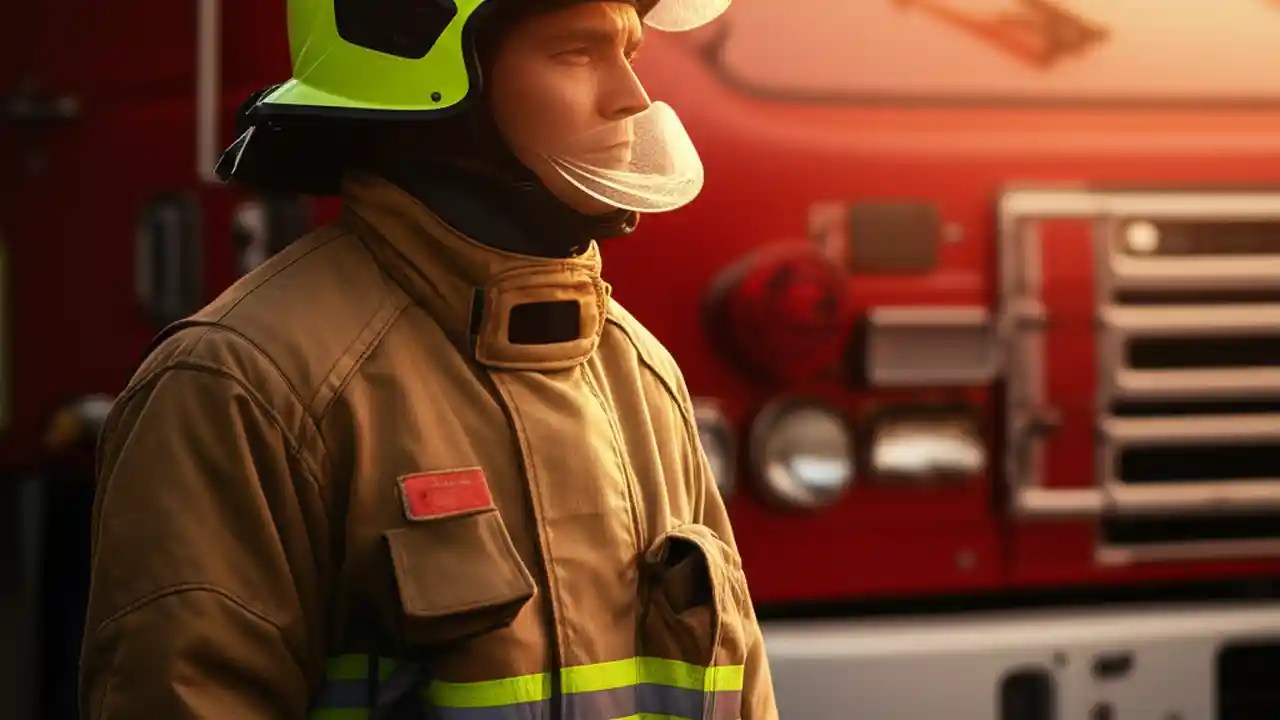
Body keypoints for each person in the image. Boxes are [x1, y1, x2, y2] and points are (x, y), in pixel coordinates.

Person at [79, 0, 779, 718]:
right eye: (576, 54)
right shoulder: (248, 385)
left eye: (628, 54)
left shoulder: (640, 375)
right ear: (421, 66)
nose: (631, 98)